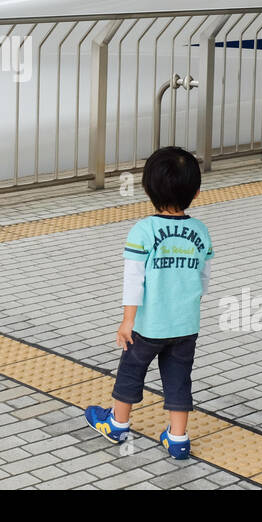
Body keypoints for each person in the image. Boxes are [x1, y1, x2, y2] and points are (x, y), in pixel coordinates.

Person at [84, 146, 213, 460]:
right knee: (179, 378)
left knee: (131, 371)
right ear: (196, 192)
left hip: (147, 325)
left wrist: (128, 321)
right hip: (185, 325)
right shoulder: (200, 231)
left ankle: (117, 423)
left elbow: (134, 280)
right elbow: (203, 279)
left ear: (147, 189)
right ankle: (178, 438)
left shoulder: (143, 231)